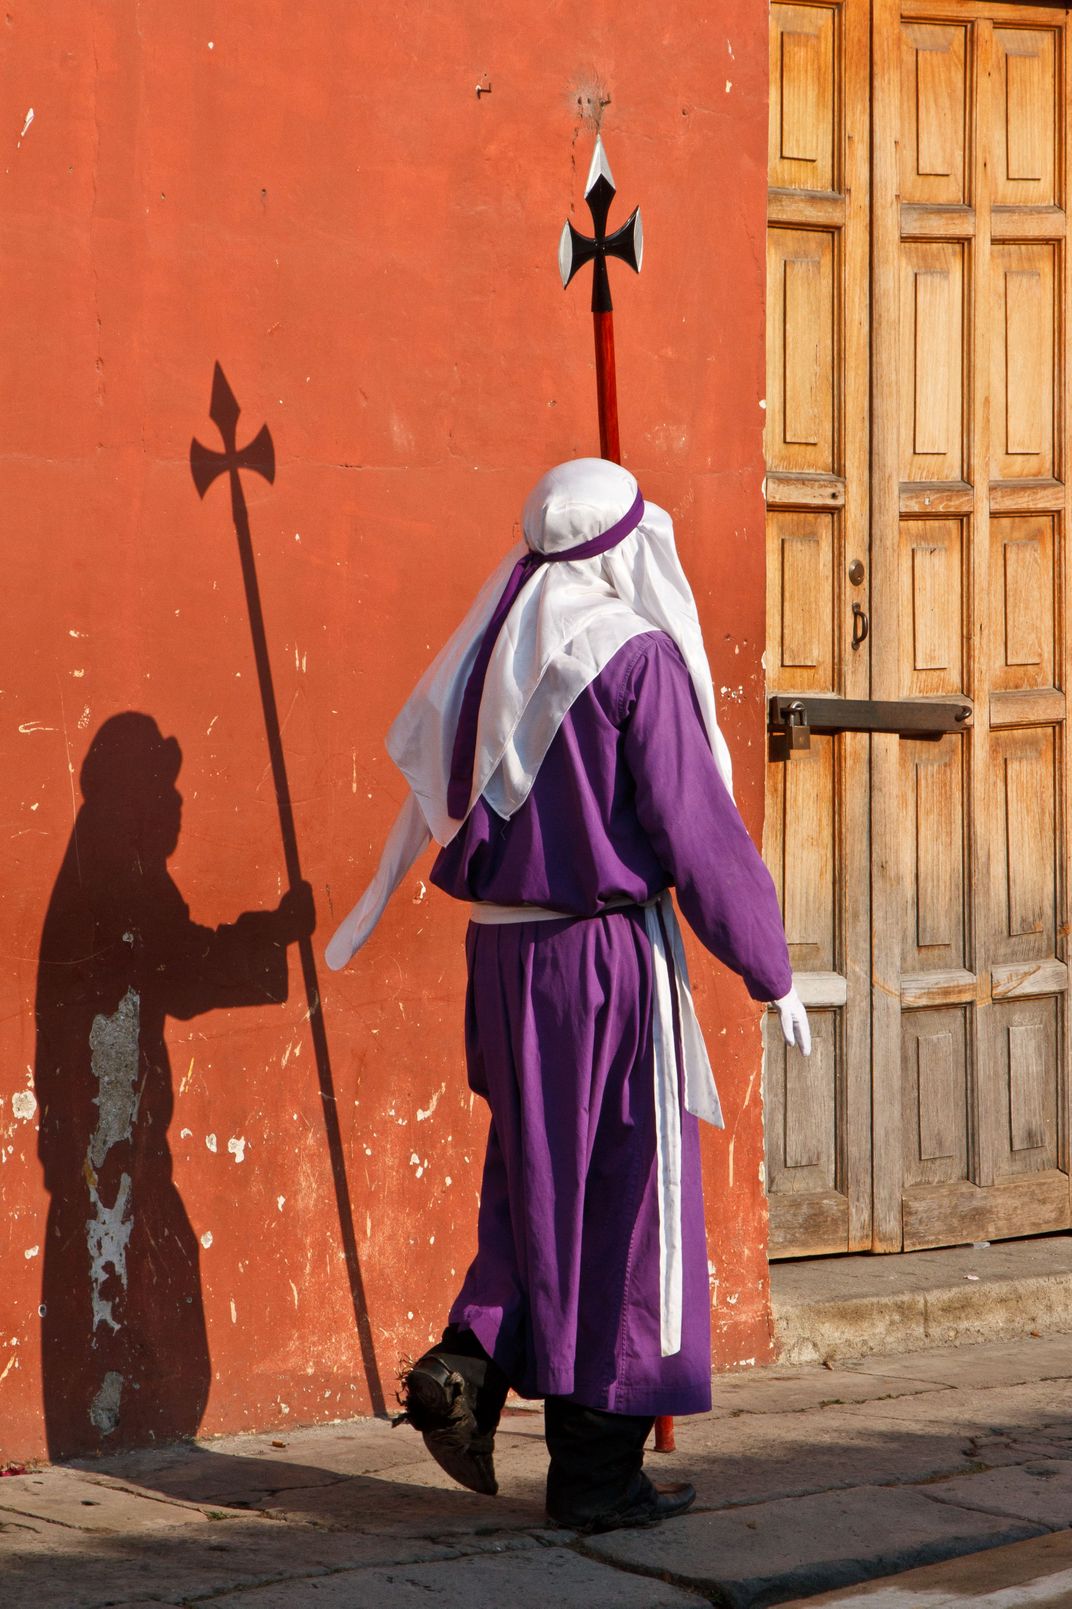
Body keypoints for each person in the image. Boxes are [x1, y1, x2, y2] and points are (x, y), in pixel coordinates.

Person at [326, 457, 808, 1532]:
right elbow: (696, 835)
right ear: (625, 546)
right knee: (629, 1201)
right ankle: (596, 1472)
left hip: (502, 963)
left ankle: (468, 1363)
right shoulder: (634, 657)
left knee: (534, 1184)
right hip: (601, 963)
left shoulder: (489, 646)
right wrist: (768, 968)